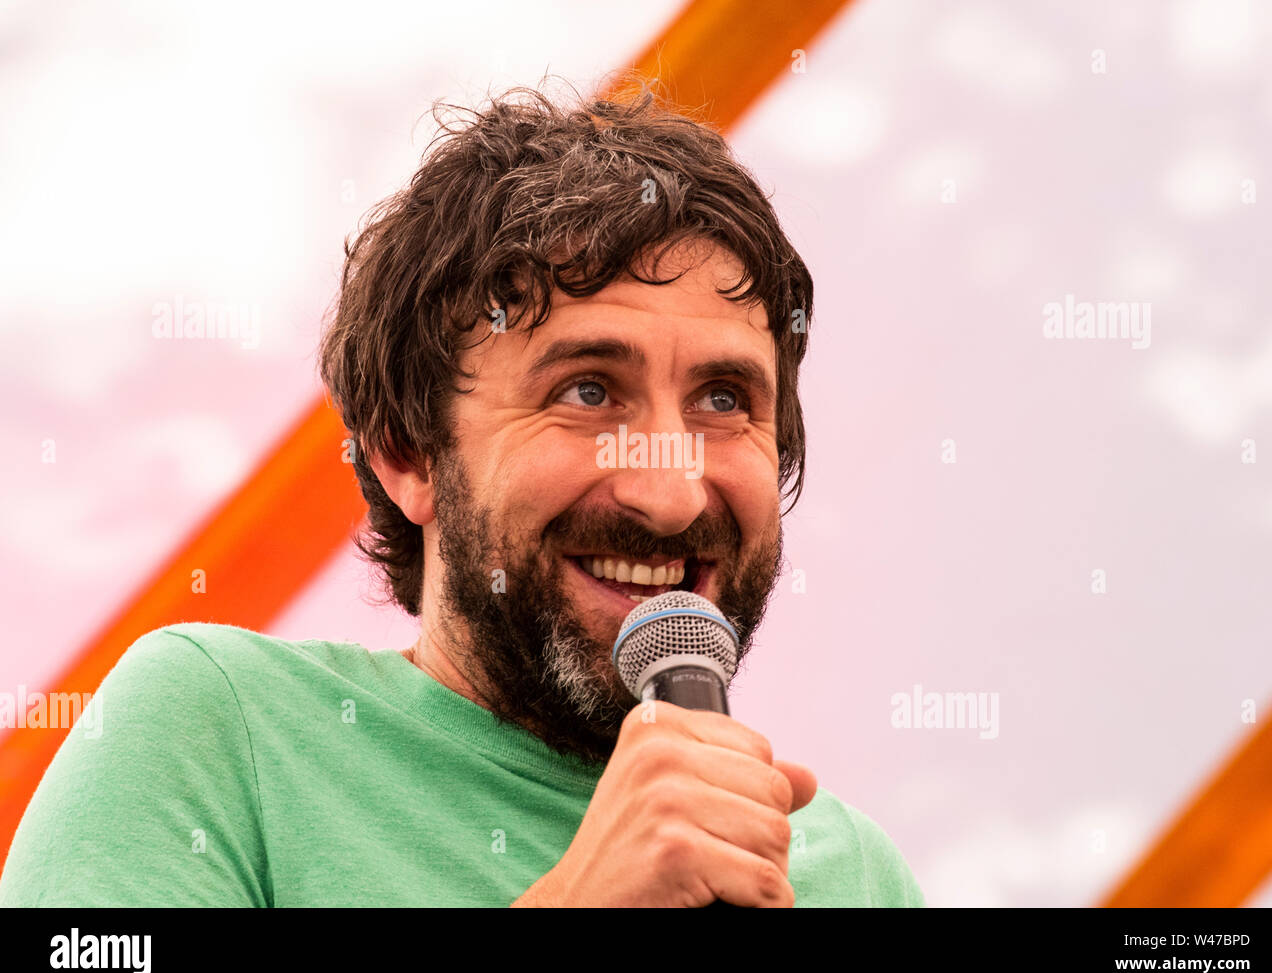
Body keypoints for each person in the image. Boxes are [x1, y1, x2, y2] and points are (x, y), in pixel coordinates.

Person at [0, 78, 924, 907]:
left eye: (724, 401)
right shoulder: (220, 726)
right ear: (408, 452)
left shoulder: (854, 875)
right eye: (588, 391)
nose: (671, 496)